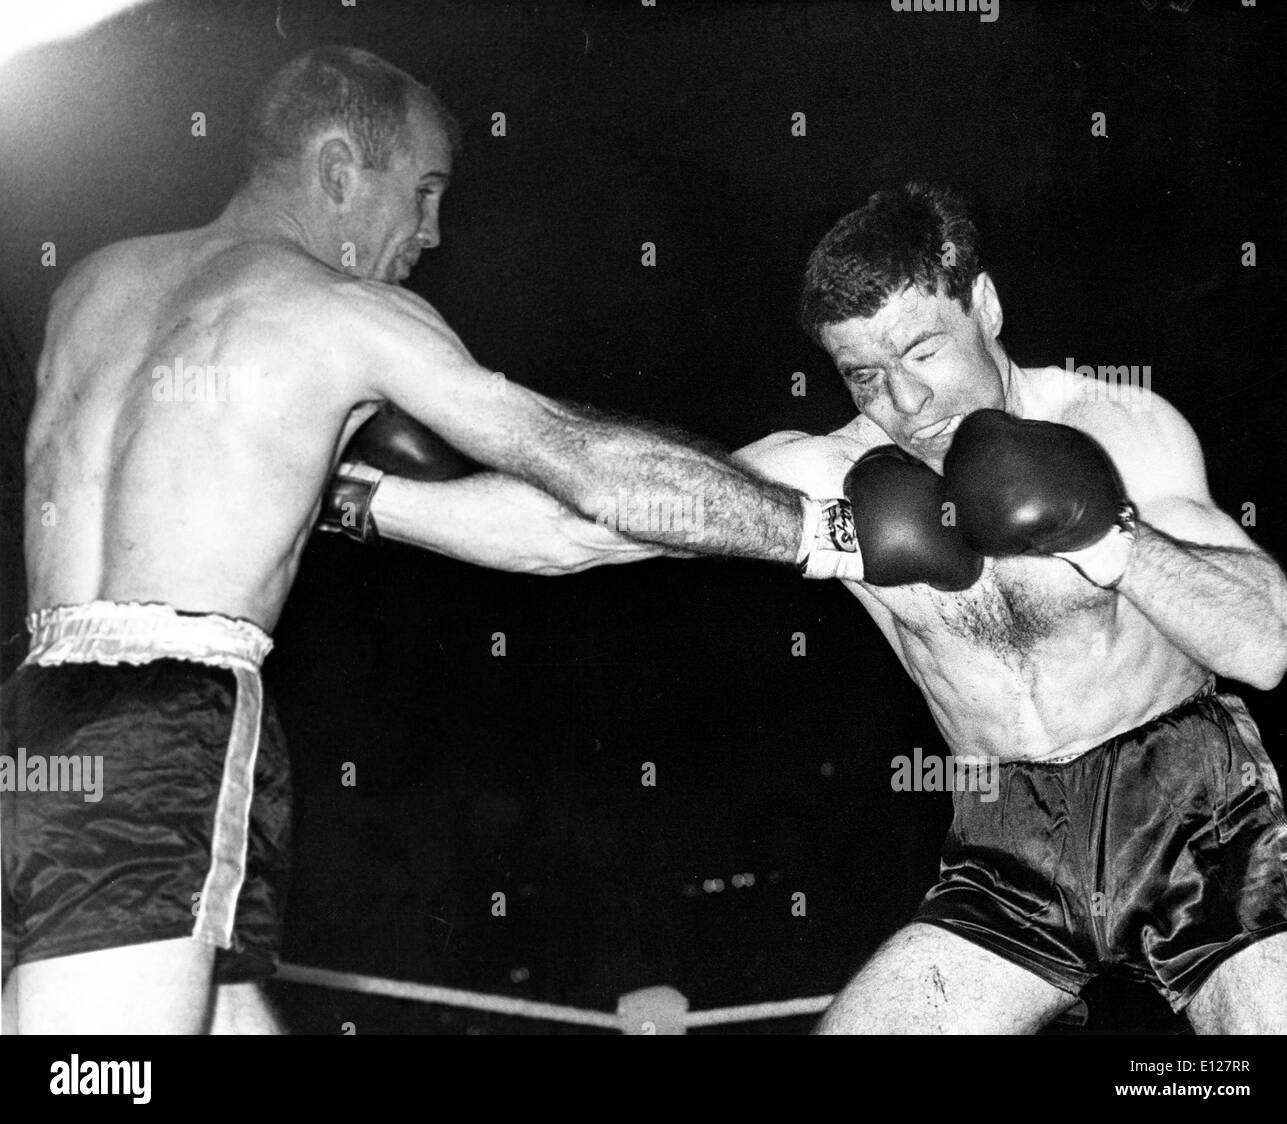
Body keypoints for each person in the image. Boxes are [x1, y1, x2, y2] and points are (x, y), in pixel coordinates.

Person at [0, 46, 861, 1035]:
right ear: (337, 169)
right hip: (162, 724)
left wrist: (719, 501)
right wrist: (823, 531)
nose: (432, 230)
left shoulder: (96, 285)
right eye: (424, 189)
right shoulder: (345, 315)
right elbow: (581, 463)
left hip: (31, 715)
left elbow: (513, 526)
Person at [360, 183, 1287, 1033]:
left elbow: (1263, 642)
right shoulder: (831, 475)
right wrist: (357, 500)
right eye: (862, 376)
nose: (904, 399)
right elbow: (577, 529)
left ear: (986, 306)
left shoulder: (1116, 429)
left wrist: (1107, 537)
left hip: (1193, 813)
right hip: (1011, 840)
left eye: (923, 350)